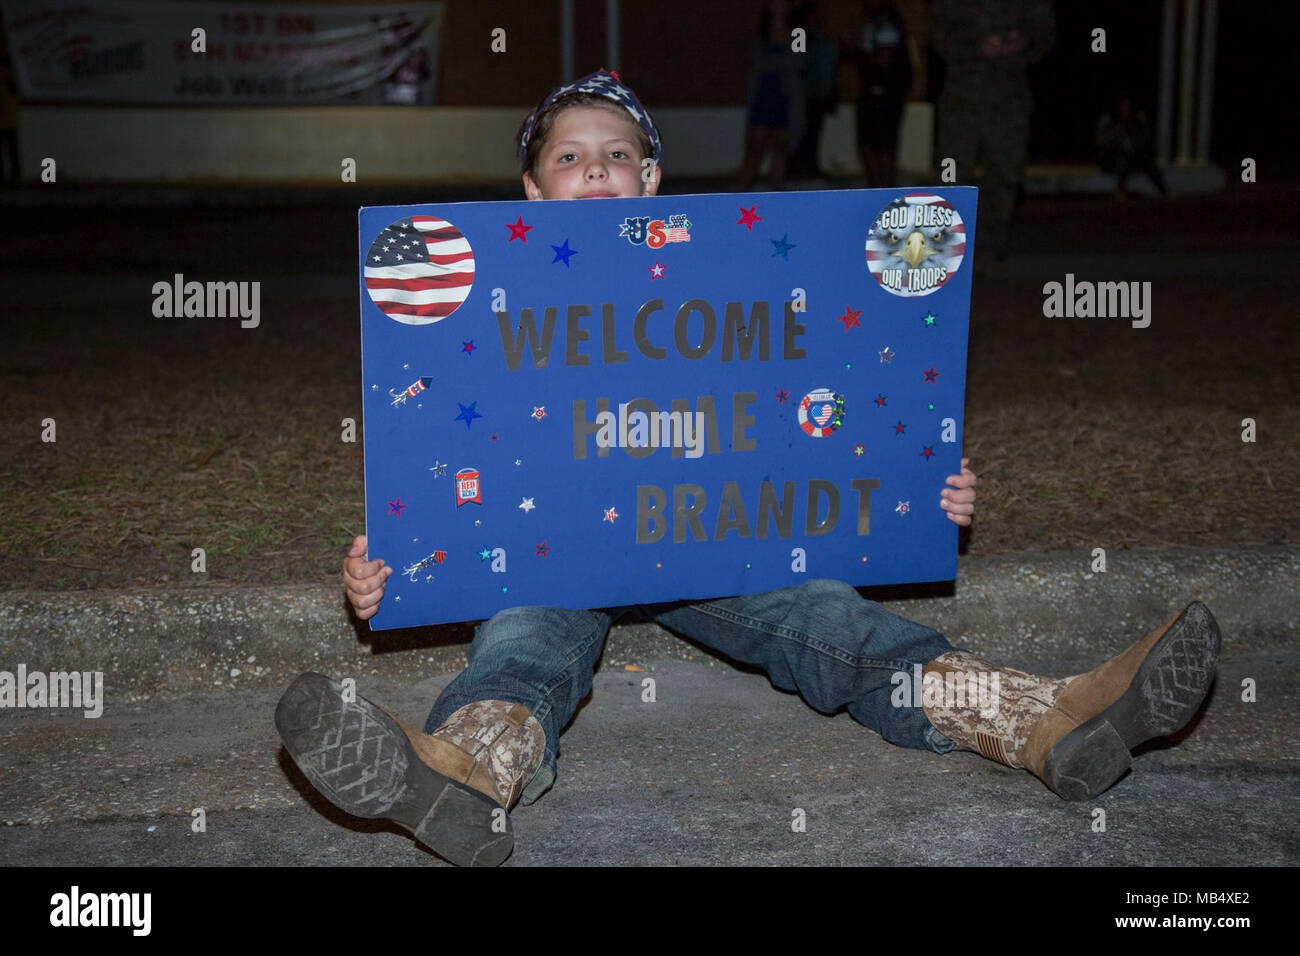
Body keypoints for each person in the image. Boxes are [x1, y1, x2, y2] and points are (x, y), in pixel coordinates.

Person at [275, 69, 1222, 867]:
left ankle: (1036, 718)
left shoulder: (727, 275)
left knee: (830, 623)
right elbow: (437, 451)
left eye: (616, 154)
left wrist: (918, 491)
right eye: (569, 156)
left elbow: (830, 401)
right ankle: (471, 770)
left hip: (712, 535)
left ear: (651, 179)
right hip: (551, 553)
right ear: (532, 190)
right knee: (524, 644)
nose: (593, 168)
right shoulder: (473, 299)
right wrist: (392, 567)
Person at [930, 0, 1055, 268]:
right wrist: (974, 48)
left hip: (1009, 98)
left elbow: (1045, 36)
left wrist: (1023, 43)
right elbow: (938, 33)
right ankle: (945, 253)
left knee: (1003, 174)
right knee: (951, 173)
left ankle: (989, 249)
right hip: (962, 96)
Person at [737, 0, 806, 191]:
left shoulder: (797, 33)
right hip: (763, 94)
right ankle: (738, 195)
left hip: (786, 97)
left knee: (781, 147)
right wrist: (781, 63)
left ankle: (778, 195)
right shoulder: (761, 33)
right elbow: (757, 62)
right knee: (755, 146)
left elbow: (798, 62)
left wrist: (775, 63)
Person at [854, 0, 911, 188]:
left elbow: (884, 59)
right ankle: (875, 189)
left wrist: (855, 53)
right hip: (870, 94)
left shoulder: (890, 21)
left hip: (887, 95)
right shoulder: (872, 22)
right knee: (866, 144)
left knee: (884, 146)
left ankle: (885, 191)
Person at [1097, 90, 1170, 199]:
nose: (1125, 109)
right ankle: (1120, 190)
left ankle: (1165, 192)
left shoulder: (1137, 121)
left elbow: (1145, 142)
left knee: (1150, 164)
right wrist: (1119, 131)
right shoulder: (1109, 120)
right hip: (1112, 159)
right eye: (1123, 106)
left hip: (1134, 157)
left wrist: (1133, 132)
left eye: (1128, 106)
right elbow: (1103, 144)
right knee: (1121, 160)